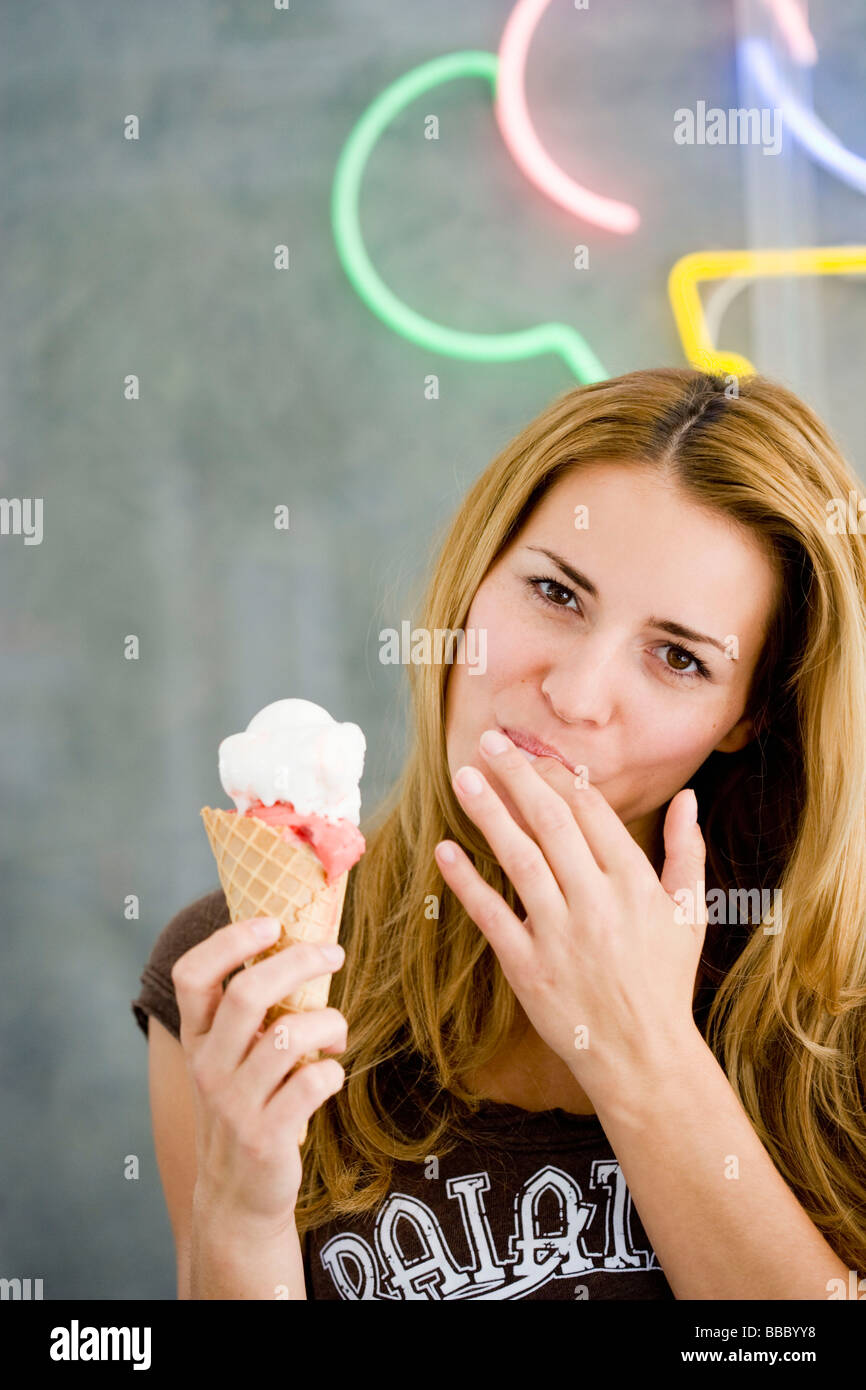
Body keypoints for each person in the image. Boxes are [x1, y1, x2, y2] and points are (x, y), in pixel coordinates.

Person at [132, 366, 866, 1300]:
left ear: (747, 716)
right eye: (557, 594)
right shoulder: (239, 976)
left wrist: (645, 1058)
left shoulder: (837, 1005)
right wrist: (238, 1214)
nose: (573, 693)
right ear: (475, 578)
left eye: (677, 657)